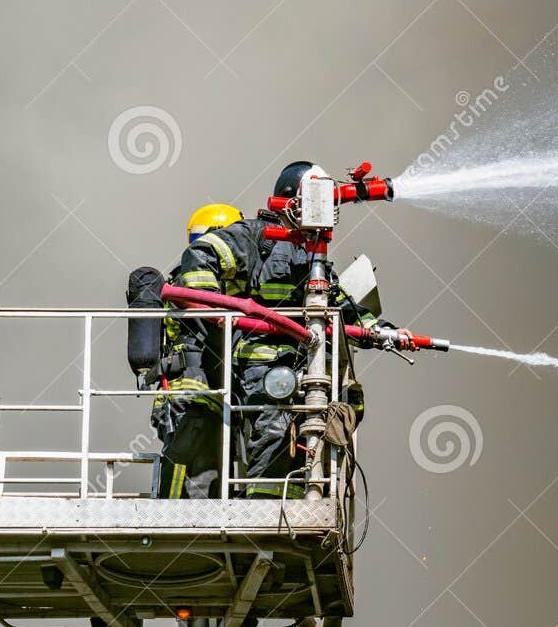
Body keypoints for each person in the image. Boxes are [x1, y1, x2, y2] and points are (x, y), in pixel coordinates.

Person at [171, 162, 399, 499]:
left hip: (304, 369)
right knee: (273, 433)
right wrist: (214, 314)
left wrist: (384, 332)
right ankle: (265, 511)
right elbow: (201, 257)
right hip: (262, 365)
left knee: (305, 439)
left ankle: (290, 505)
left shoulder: (311, 255)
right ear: (292, 200)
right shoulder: (254, 237)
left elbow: (341, 307)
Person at [148, 203, 244, 499]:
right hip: (192, 394)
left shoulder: (194, 282)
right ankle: (169, 515)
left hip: (204, 396)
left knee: (210, 469)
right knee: (188, 463)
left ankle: (187, 516)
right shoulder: (196, 285)